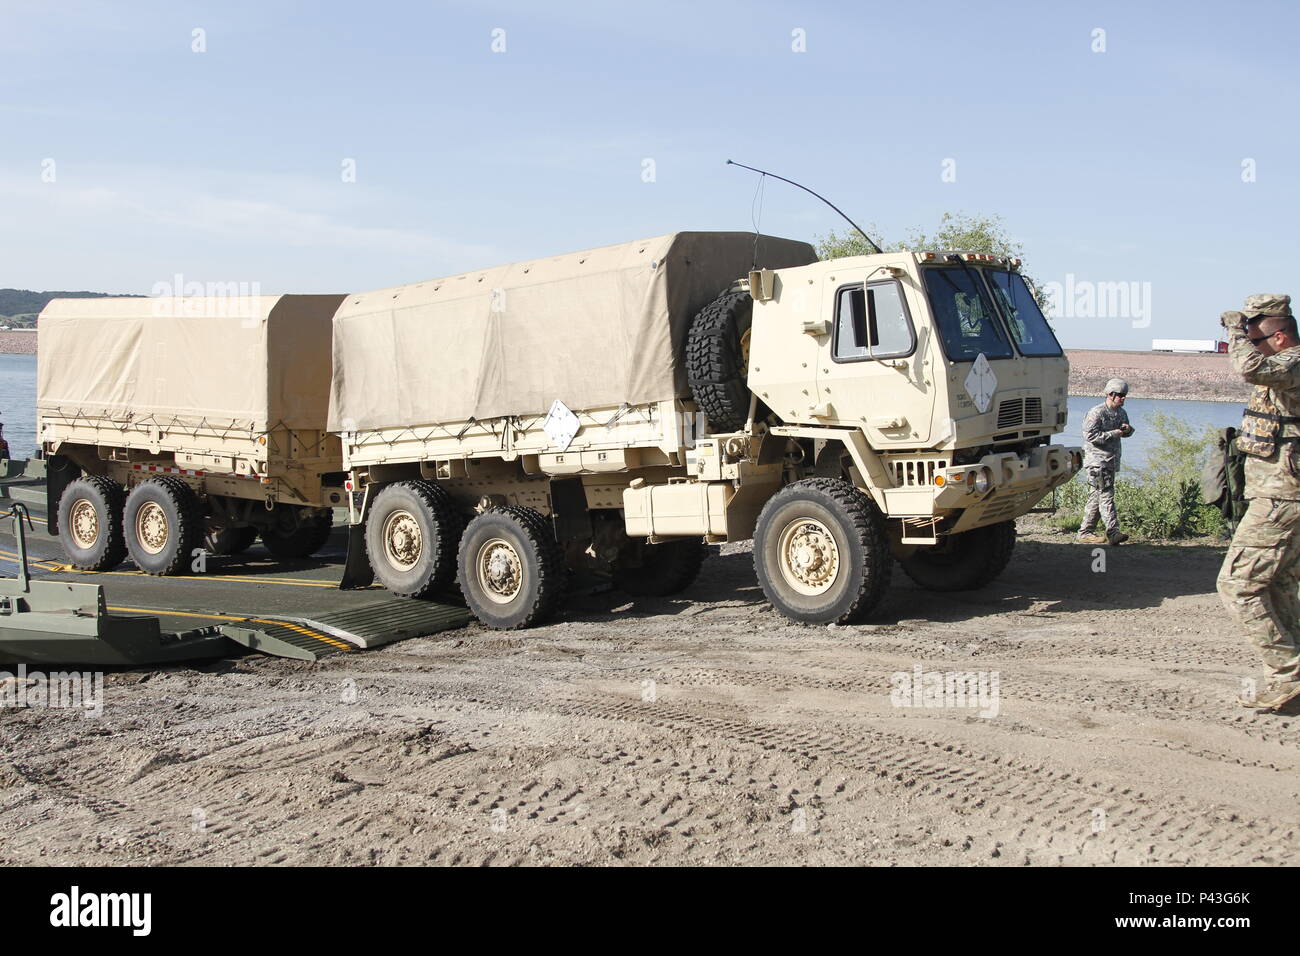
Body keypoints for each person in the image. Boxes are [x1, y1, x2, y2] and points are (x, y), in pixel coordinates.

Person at [1216, 294, 1300, 712]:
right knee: (1280, 584)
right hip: (1280, 495)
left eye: (1258, 338)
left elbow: (1250, 368)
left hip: (1282, 497)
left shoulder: (1294, 363)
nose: (1251, 345)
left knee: (1236, 585)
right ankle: (1290, 678)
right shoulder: (1284, 366)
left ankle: (1287, 672)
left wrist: (1235, 331)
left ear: (1280, 337)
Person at [1077, 378, 1134, 546]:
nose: (1123, 399)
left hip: (1111, 461)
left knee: (1097, 496)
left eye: (1125, 395)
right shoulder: (1096, 412)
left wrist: (1128, 430)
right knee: (1106, 495)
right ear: (1110, 394)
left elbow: (1127, 431)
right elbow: (1090, 436)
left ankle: (1085, 532)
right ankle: (1113, 532)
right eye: (1121, 395)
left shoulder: (1121, 413)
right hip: (1097, 461)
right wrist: (1114, 433)